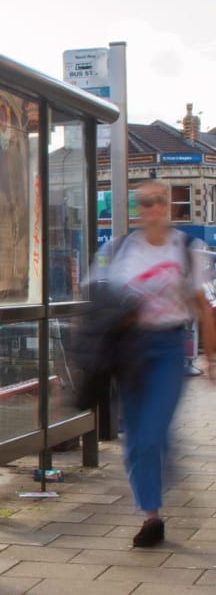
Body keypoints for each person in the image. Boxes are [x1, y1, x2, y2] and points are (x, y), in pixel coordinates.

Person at [90, 180, 216, 547]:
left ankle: (159, 467)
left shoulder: (187, 248)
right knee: (135, 437)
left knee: (151, 434)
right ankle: (151, 516)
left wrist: (211, 357)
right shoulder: (120, 250)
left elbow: (203, 308)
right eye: (144, 203)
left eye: (158, 201)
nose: (151, 209)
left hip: (168, 348)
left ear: (169, 207)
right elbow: (100, 300)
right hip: (130, 352)